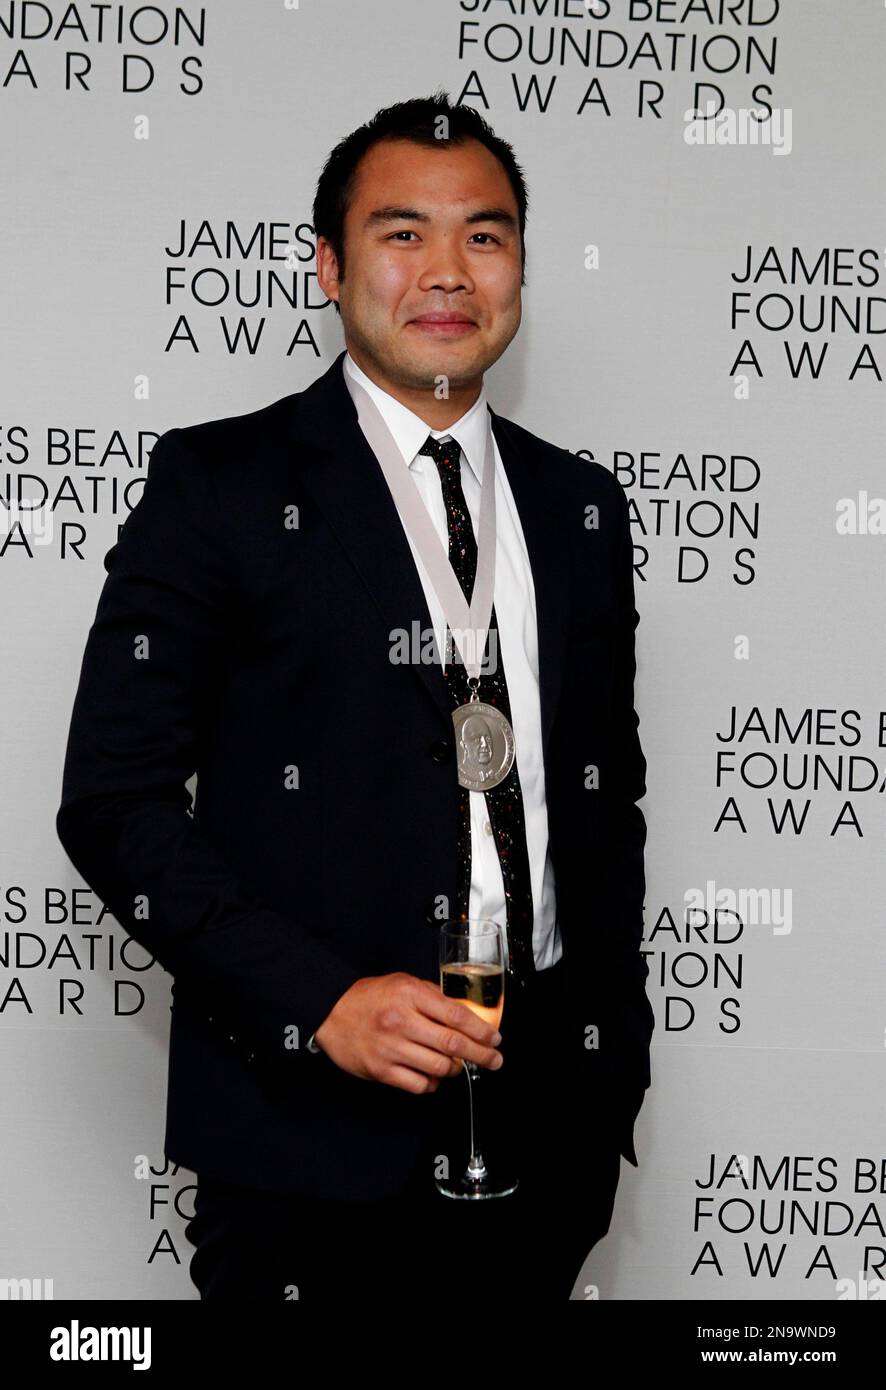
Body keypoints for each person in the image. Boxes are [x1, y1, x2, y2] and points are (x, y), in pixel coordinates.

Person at [56, 90, 654, 1302]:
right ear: (328, 266)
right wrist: (318, 999)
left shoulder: (583, 509)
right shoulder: (218, 483)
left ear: (520, 266)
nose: (446, 270)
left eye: (483, 235)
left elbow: (603, 801)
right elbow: (113, 803)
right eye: (401, 233)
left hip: (547, 1138)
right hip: (304, 1153)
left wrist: (608, 1076)